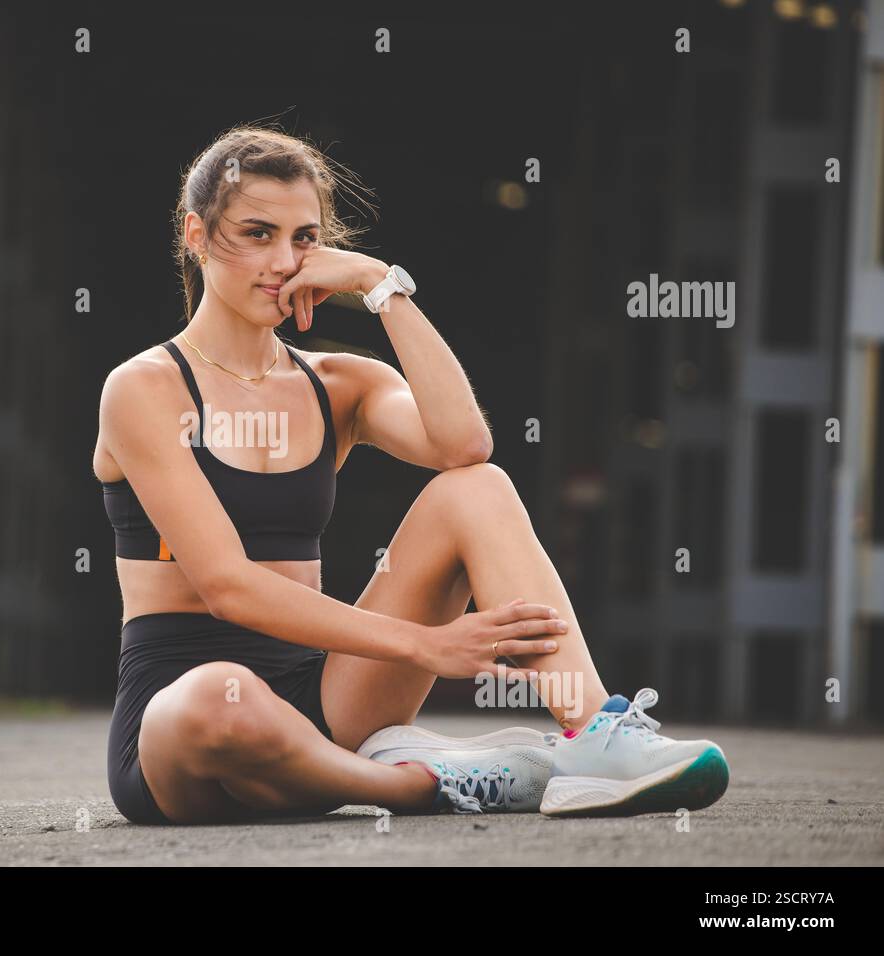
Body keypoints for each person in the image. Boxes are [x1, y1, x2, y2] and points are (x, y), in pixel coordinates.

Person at [93, 124, 729, 824]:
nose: (282, 259)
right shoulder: (144, 389)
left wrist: (378, 285)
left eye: (304, 238)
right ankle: (423, 782)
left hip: (325, 697)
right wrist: (429, 646)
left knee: (477, 489)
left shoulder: (339, 383)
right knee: (218, 695)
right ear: (197, 234)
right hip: (181, 731)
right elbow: (225, 586)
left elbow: (465, 446)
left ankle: (596, 737)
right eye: (256, 233)